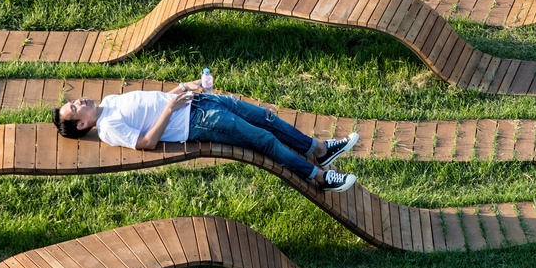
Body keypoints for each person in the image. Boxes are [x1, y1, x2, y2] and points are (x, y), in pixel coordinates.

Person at [55, 76, 361, 191]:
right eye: (74, 108)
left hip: (201, 101)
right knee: (263, 141)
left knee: (266, 118)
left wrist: (184, 88)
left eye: (73, 101)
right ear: (82, 125)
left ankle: (319, 150)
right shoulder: (108, 129)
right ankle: (318, 178)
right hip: (198, 122)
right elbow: (147, 142)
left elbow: (158, 102)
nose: (78, 101)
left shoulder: (109, 103)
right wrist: (172, 107)